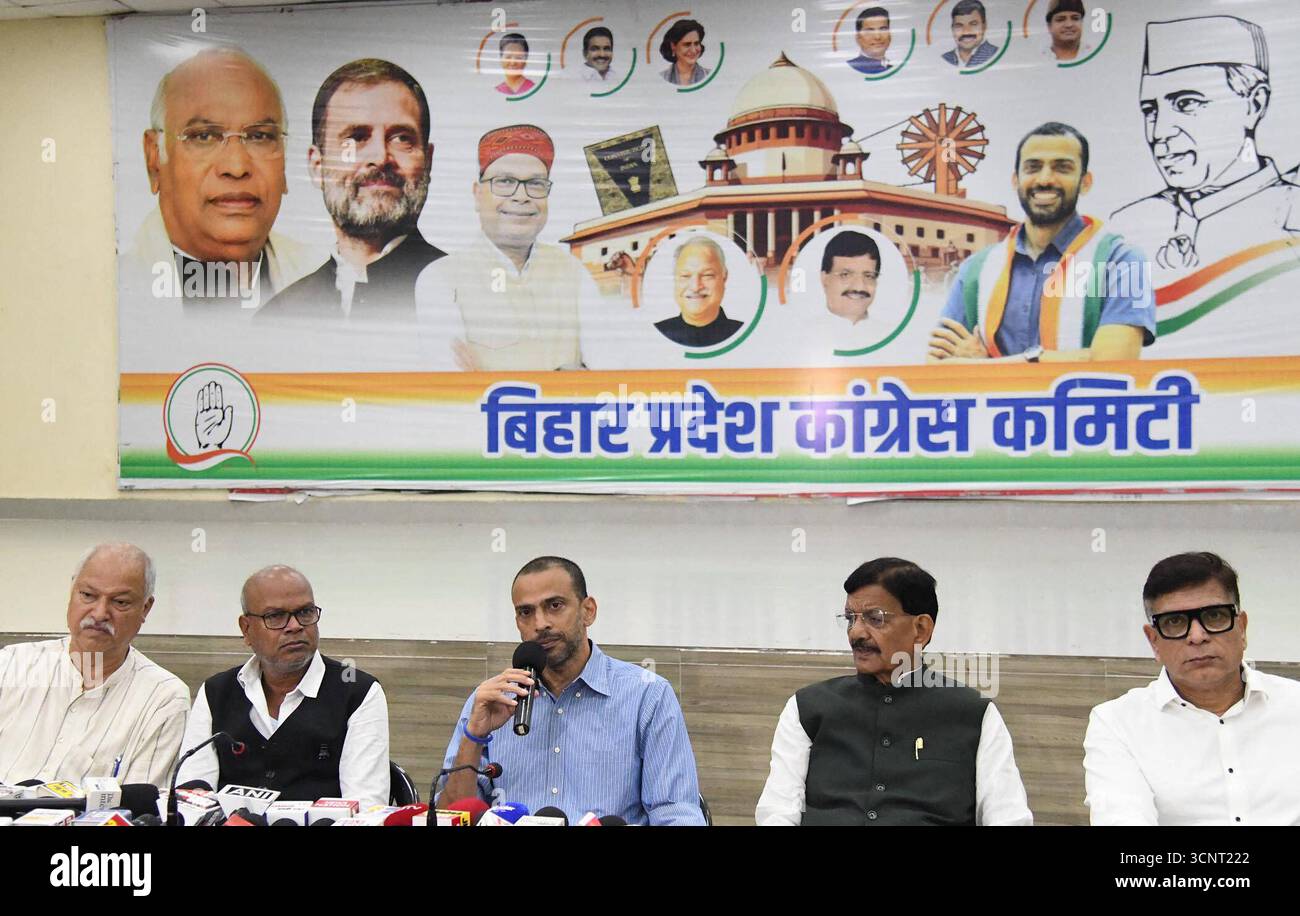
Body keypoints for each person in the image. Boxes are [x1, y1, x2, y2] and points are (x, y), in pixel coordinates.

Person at [756, 558, 1032, 826]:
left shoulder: (974, 714)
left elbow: (1007, 816)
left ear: (921, 629)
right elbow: (778, 812)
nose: (856, 633)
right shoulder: (807, 708)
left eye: (875, 619)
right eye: (850, 618)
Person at [436, 557, 704, 825]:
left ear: (588, 610)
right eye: (526, 612)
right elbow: (451, 816)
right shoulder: (491, 701)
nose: (540, 624)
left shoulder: (648, 696)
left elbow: (676, 814)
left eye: (554, 606)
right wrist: (475, 736)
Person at [1083, 552, 1300, 826]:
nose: (1197, 636)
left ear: (1242, 628)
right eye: (1175, 622)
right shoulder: (1117, 724)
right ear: (1153, 641)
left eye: (1215, 616)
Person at [928, 122, 1155, 363]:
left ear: (1085, 182)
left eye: (1062, 168)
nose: (1045, 179)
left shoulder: (1124, 263)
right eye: (1033, 167)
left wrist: (989, 365)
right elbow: (936, 367)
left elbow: (1114, 365)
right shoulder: (976, 269)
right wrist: (1074, 358)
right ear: (1016, 180)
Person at [176, 565, 390, 808]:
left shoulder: (358, 693)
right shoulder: (217, 693)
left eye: (305, 612)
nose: (295, 626)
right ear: (246, 629)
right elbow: (190, 796)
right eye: (276, 616)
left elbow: (367, 811)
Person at [257, 59, 445, 322]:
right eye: (356, 138)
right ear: (317, 166)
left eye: (402, 138)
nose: (380, 157)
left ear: (429, 161)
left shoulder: (470, 301)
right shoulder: (277, 318)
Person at [127, 48, 316, 308]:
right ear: (154, 158)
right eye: (204, 136)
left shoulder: (330, 280)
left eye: (260, 136)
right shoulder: (106, 292)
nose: (237, 167)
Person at [1110, 17, 1298, 276]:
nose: (1159, 132)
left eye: (1186, 103)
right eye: (1150, 110)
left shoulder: (1292, 214)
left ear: (1254, 104)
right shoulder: (1127, 227)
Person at [0, 544, 189, 790]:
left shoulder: (164, 699)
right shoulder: (11, 664)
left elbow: (141, 809)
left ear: (145, 608)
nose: (100, 614)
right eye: (88, 596)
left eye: (120, 602)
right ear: (72, 592)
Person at [415, 124, 603, 371]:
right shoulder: (441, 279)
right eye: (504, 181)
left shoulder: (573, 272)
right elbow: (456, 388)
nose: (521, 196)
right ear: (477, 194)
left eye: (536, 184)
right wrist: (563, 378)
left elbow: (606, 374)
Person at [655, 237, 742, 347]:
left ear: (724, 277)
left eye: (707, 275)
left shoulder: (743, 334)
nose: (695, 287)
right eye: (685, 276)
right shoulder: (655, 335)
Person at [820, 230, 880, 325]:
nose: (859, 287)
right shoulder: (801, 333)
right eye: (846, 275)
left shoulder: (891, 332)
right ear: (824, 279)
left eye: (868, 276)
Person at [942, 0, 999, 68]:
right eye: (959, 25)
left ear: (984, 26)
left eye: (973, 24)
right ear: (952, 28)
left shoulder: (994, 54)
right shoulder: (945, 58)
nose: (966, 31)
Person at [660, 19, 710, 86]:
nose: (693, 50)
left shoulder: (710, 76)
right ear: (673, 46)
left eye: (696, 43)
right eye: (687, 44)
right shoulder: (662, 77)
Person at [847, 7, 892, 75]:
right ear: (858, 37)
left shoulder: (890, 67)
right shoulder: (851, 68)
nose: (877, 37)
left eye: (883, 29)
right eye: (870, 30)